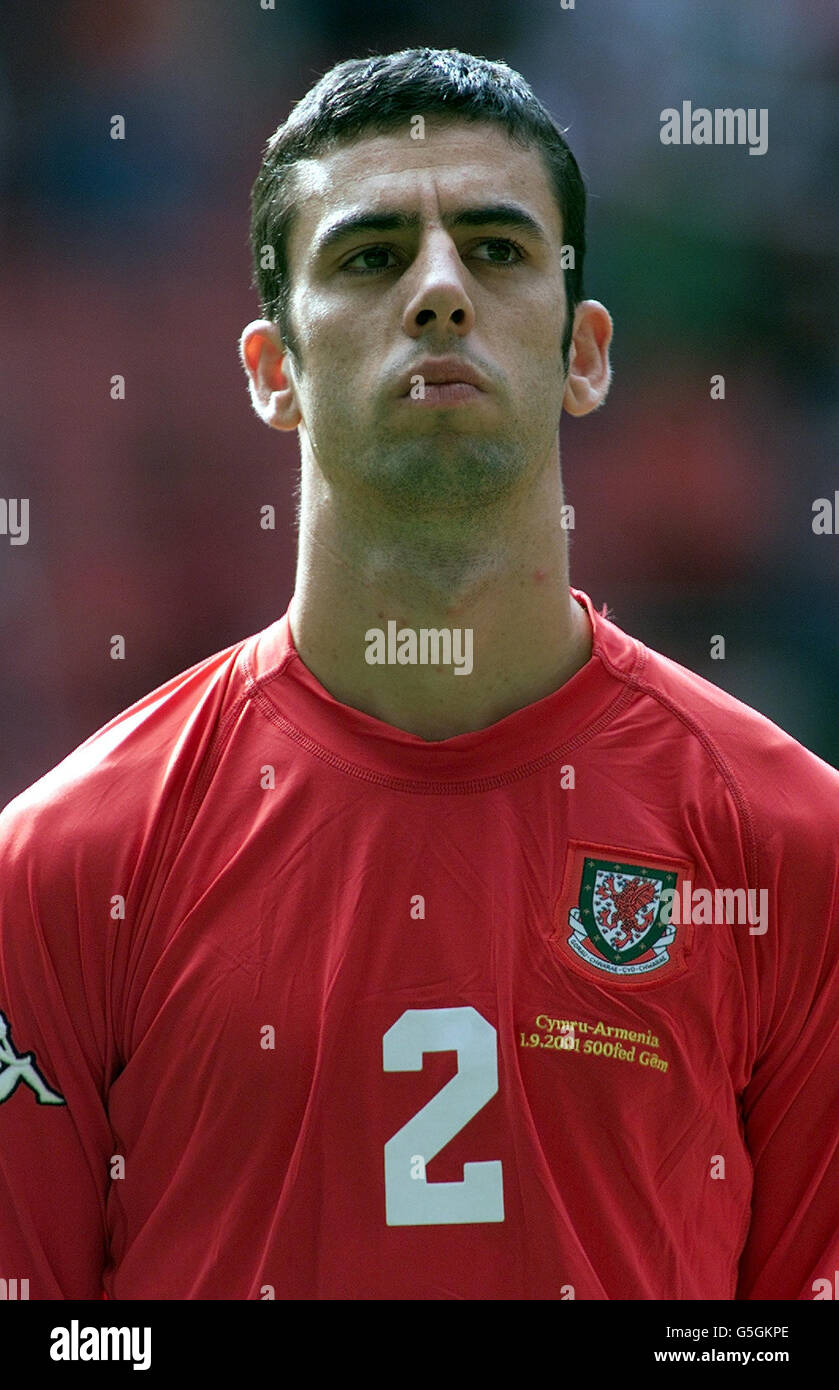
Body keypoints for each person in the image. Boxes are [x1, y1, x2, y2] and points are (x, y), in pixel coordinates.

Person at [0, 46, 837, 1301]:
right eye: (370, 254)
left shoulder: (791, 851)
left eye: (497, 251)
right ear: (272, 373)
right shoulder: (65, 868)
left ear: (583, 356)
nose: (439, 287)